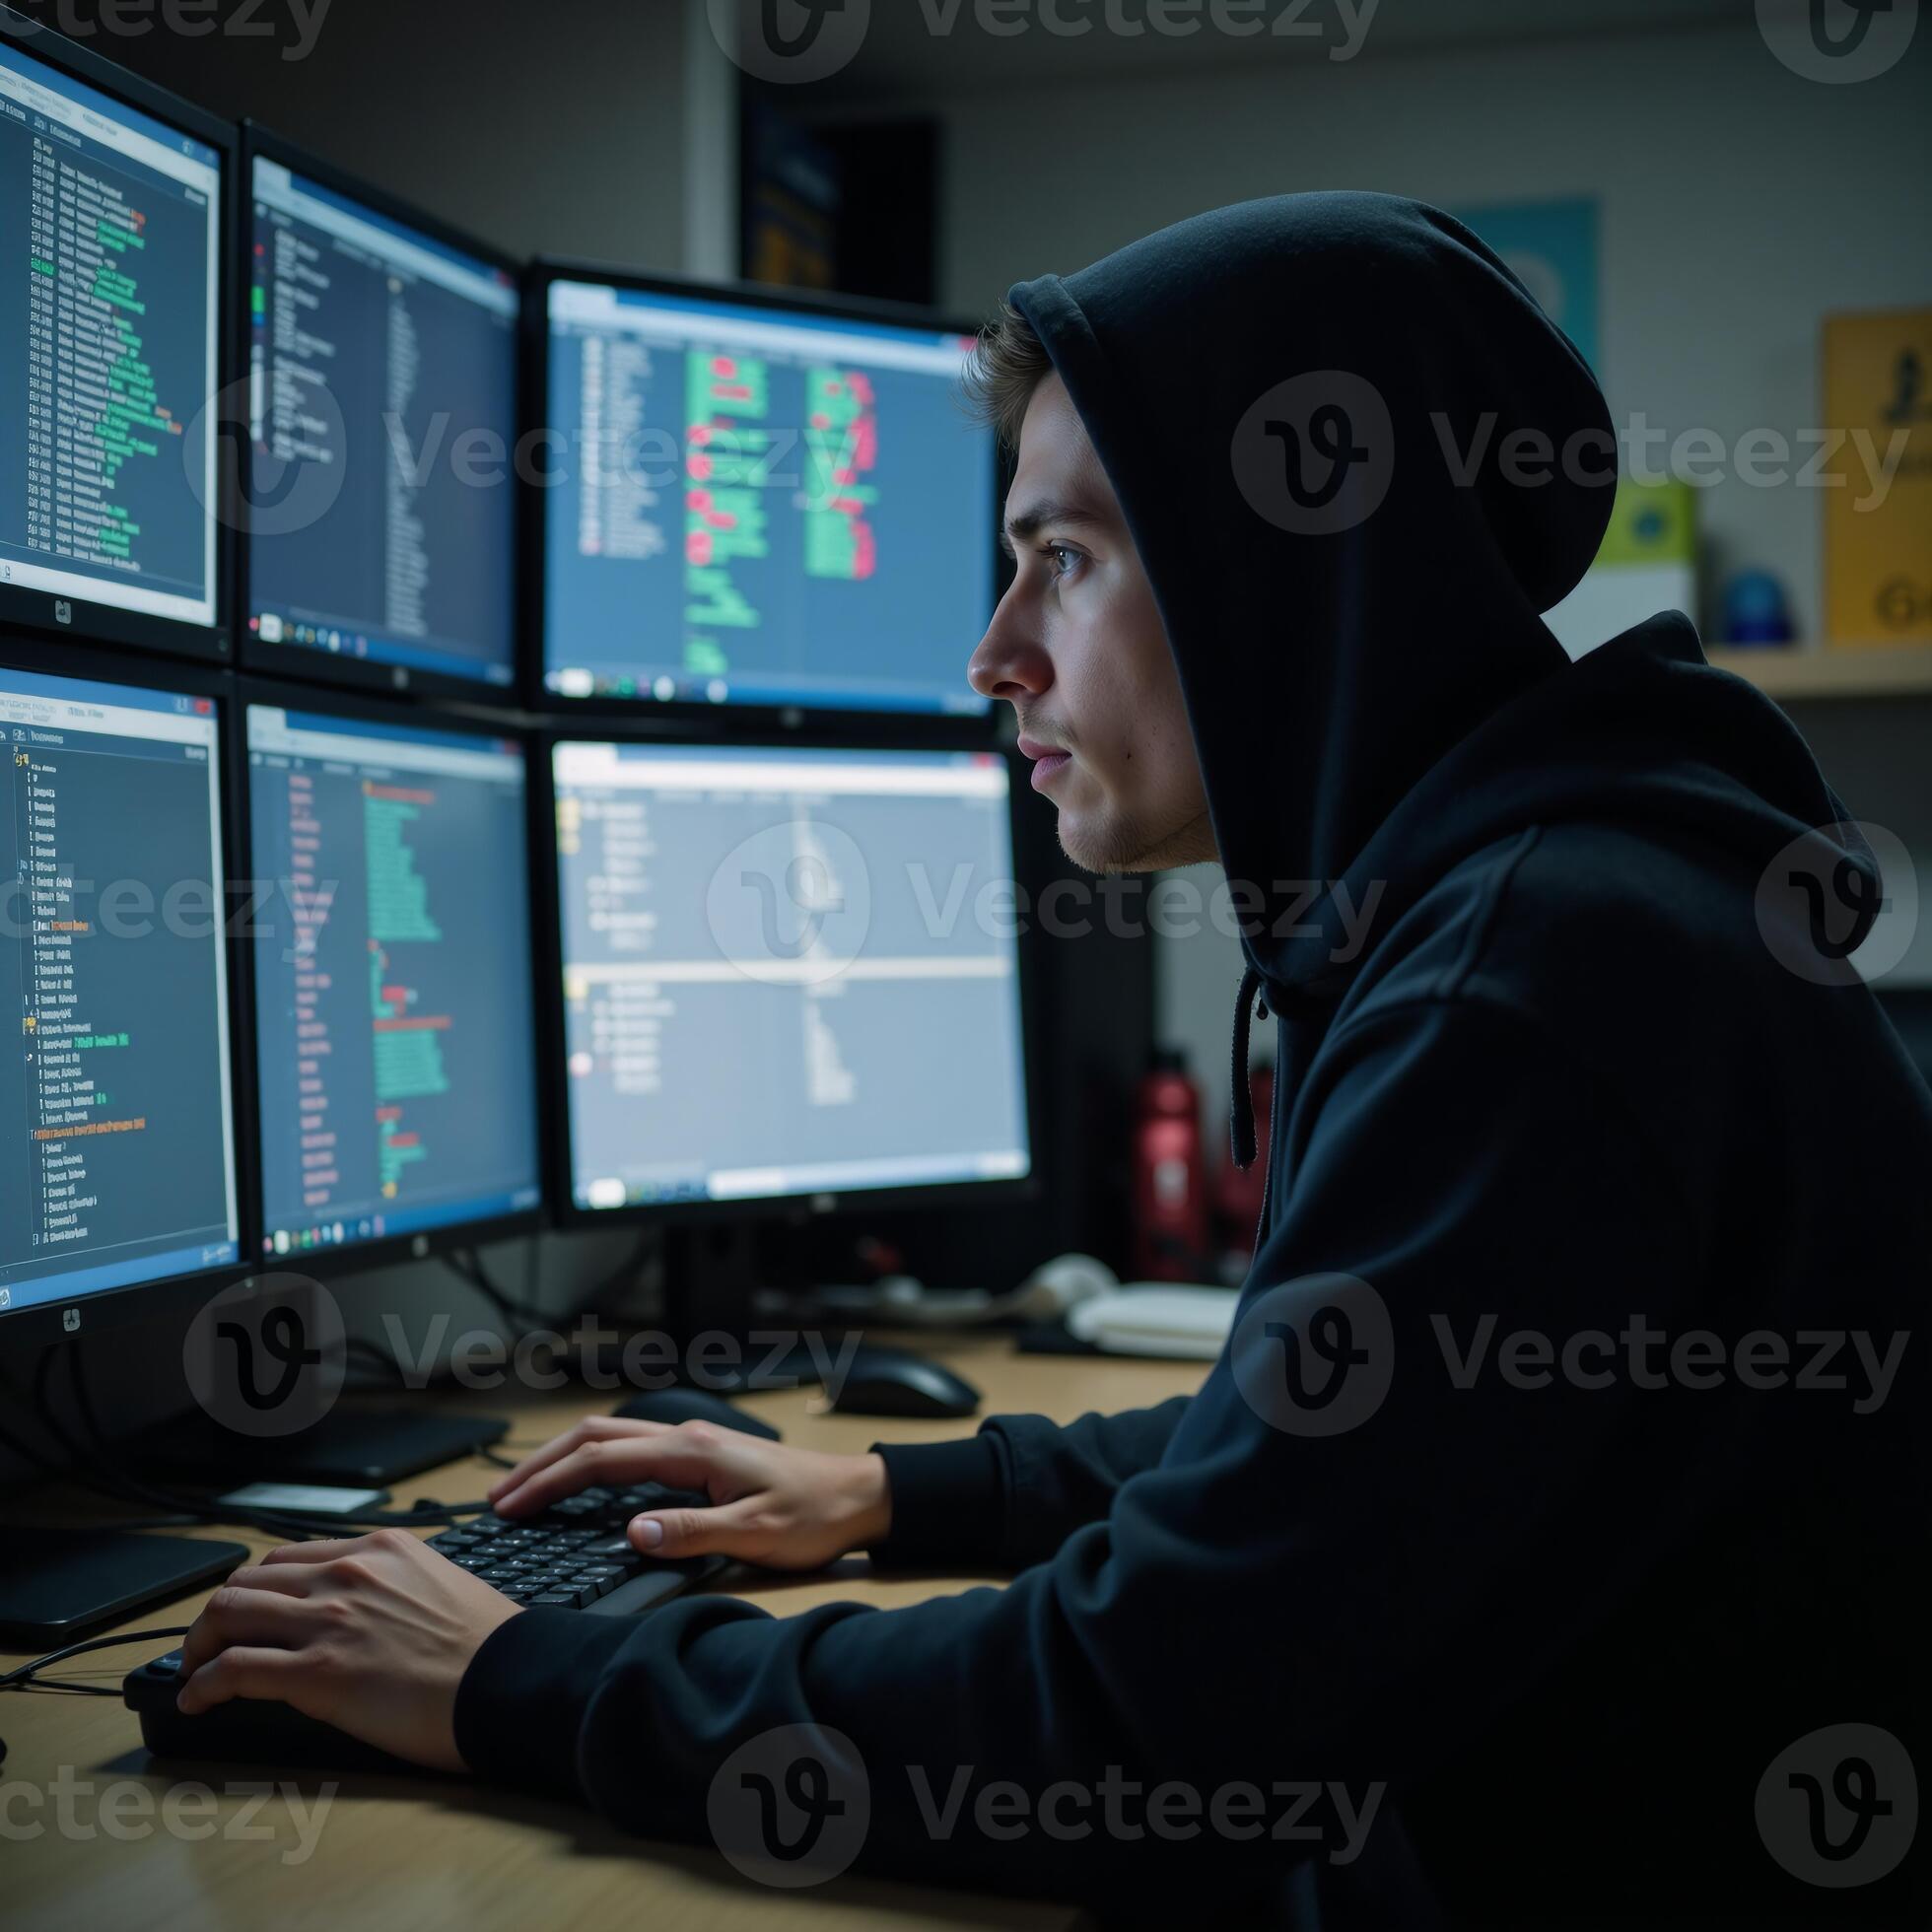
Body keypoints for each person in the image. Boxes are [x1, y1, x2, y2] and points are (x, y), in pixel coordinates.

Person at [174, 193, 1930, 1925]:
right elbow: (1327, 1442)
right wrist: (894, 1487)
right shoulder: (1543, 905)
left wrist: (515, 1678)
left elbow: (1146, 1716)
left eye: (1065, 559)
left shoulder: (1525, 986)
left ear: (1289, 561)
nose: (995, 652)